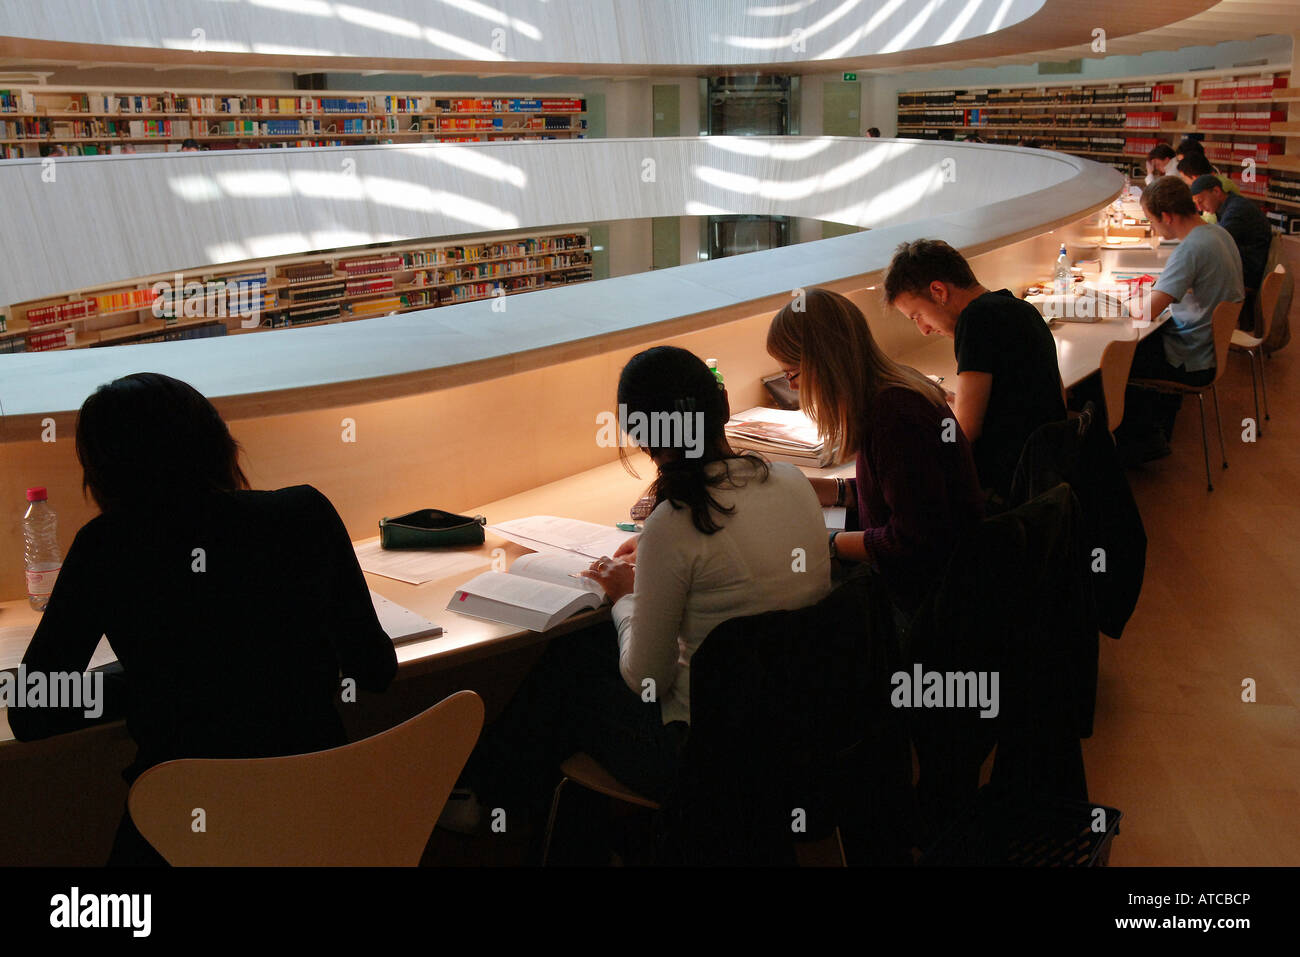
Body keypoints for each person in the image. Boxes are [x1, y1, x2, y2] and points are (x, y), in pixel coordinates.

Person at [444, 346, 831, 845]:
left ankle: (495, 808)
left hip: (708, 762)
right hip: (807, 733)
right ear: (722, 408)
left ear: (644, 439)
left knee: (570, 669)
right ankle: (501, 805)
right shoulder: (792, 481)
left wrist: (628, 594)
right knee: (581, 658)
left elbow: (645, 678)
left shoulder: (676, 523)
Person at [9, 372, 397, 865]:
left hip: (180, 837)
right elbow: (376, 670)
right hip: (316, 825)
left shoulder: (105, 548)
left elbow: (32, 710)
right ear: (219, 442)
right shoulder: (305, 514)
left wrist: (151, 681)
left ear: (103, 475)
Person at [767, 288, 984, 616]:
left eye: (791, 373)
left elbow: (912, 540)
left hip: (931, 604)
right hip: (945, 578)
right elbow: (893, 494)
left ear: (823, 364)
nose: (792, 386)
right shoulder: (892, 392)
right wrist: (820, 489)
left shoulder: (894, 417)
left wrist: (826, 543)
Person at [881, 239, 1067, 504]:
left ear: (938, 291)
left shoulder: (976, 320)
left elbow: (965, 433)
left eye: (917, 316)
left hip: (1009, 487)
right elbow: (1049, 396)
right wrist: (951, 400)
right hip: (1047, 475)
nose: (923, 329)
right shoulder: (1021, 309)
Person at [1115, 177, 1245, 463]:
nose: (1152, 227)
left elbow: (1144, 313)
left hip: (1189, 357)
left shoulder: (1190, 249)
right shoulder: (1218, 234)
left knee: (1109, 362)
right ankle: (1151, 428)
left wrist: (1118, 303)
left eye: (1151, 220)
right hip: (1207, 349)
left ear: (1167, 216)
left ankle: (1138, 440)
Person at [1189, 172, 1273, 326]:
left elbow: (1216, 242)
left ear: (1216, 191)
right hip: (1244, 265)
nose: (1200, 208)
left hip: (1249, 272)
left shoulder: (1237, 211)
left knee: (1195, 285)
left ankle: (1209, 333)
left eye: (1201, 201)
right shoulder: (1230, 205)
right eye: (1196, 204)